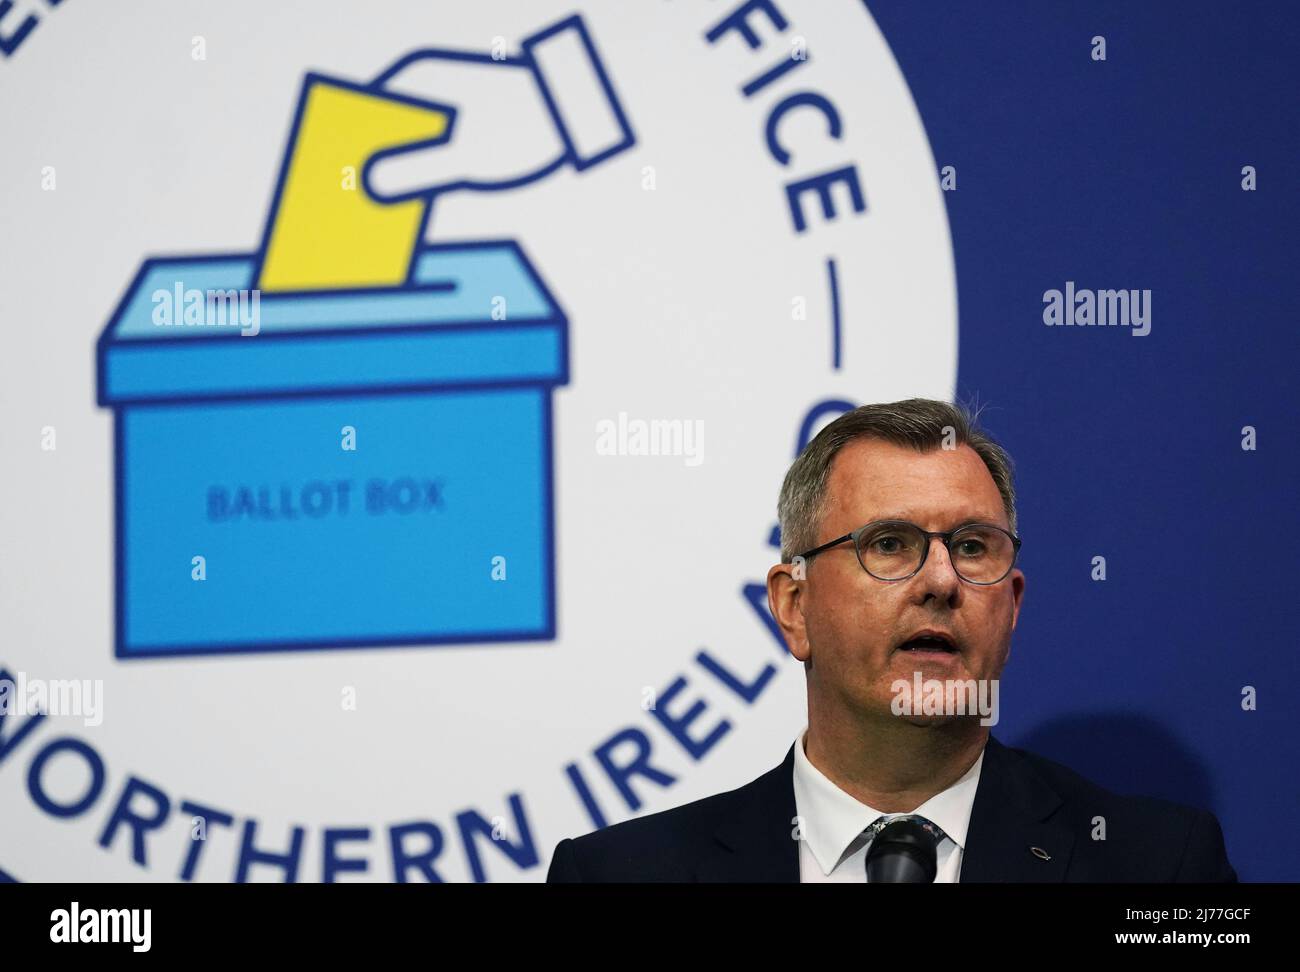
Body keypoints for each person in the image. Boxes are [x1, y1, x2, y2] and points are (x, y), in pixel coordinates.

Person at [547, 399, 1237, 882]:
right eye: (889, 543)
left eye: (971, 546)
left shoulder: (1157, 864)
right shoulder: (619, 873)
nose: (941, 580)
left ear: (1013, 605)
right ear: (794, 606)